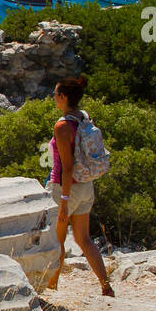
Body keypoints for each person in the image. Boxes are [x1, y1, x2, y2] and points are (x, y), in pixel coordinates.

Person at [47, 75, 112, 296]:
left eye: (55, 94)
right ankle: (106, 286)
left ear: (63, 96)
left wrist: (64, 201)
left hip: (66, 189)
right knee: (84, 239)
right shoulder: (84, 117)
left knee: (57, 241)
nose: (53, 98)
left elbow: (67, 167)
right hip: (86, 187)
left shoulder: (62, 125)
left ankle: (51, 287)